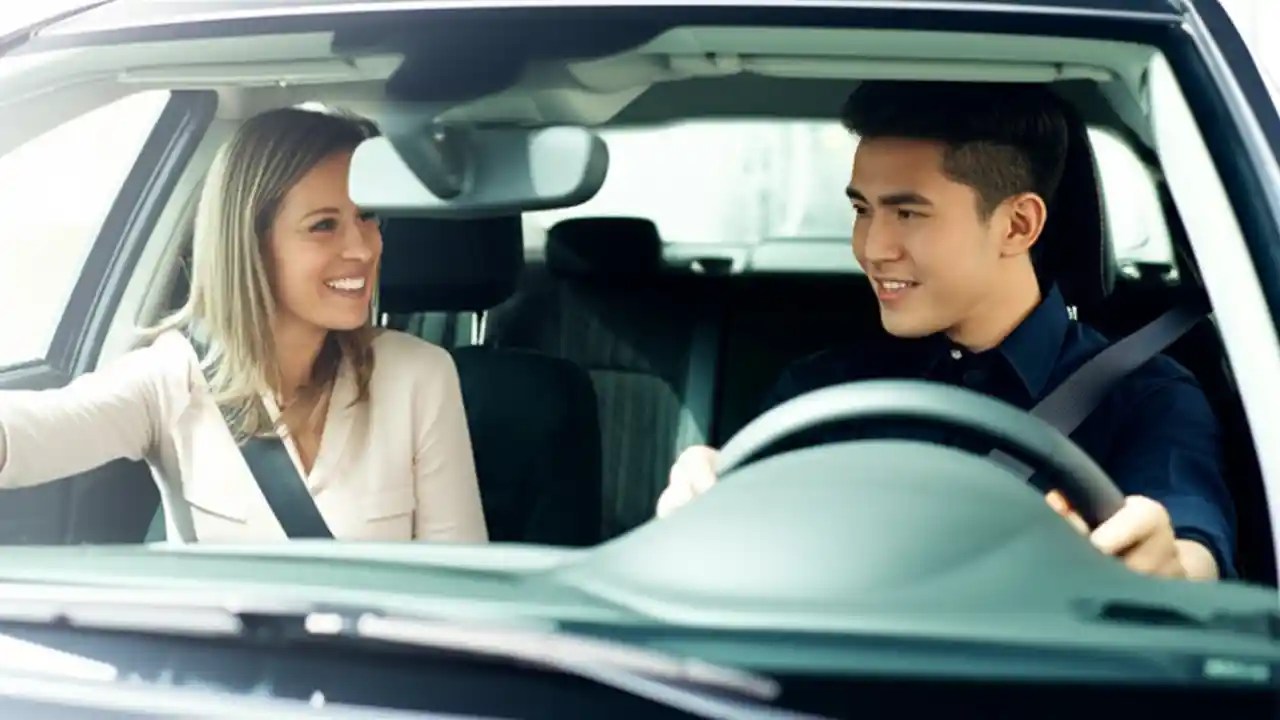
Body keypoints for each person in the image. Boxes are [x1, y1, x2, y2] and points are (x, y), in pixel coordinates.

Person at [656, 81, 1235, 581]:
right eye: (863, 210)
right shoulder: (819, 391)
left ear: (1017, 225)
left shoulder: (1144, 397)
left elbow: (1189, 554)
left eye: (908, 213)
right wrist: (703, 504)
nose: (871, 248)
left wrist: (1165, 567)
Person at [0, 106, 488, 544]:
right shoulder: (172, 377)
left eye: (368, 218)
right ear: (250, 244)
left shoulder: (419, 375)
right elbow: (36, 431)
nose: (363, 248)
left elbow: (466, 591)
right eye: (323, 225)